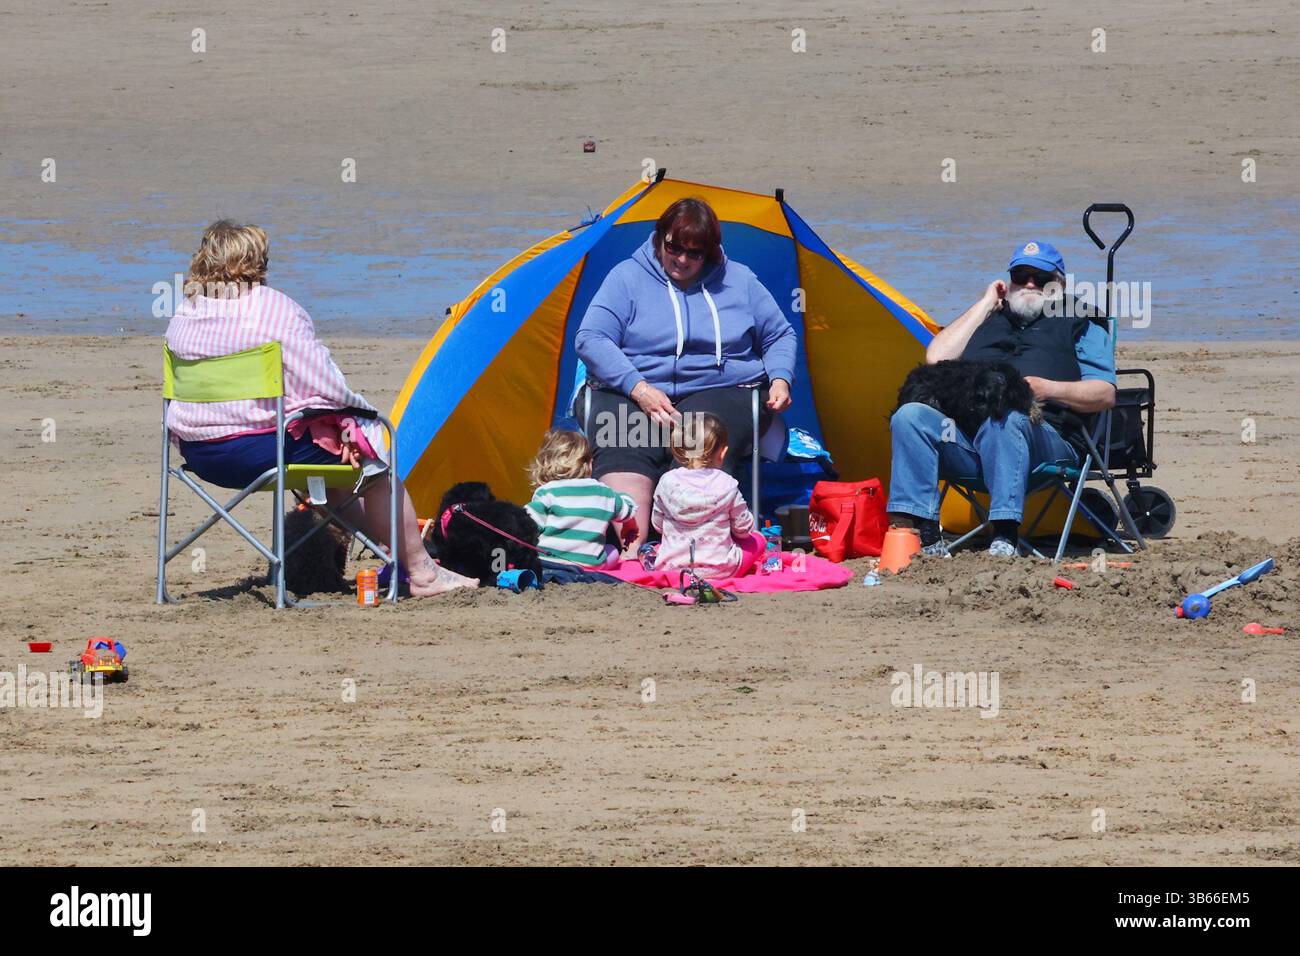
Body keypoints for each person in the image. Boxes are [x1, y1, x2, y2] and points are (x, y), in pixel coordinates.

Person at [164, 219, 477, 596]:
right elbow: (323, 383)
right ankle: (424, 573)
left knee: (334, 471)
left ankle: (400, 556)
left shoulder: (184, 313)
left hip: (200, 455)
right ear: (255, 261)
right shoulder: (272, 308)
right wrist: (358, 418)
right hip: (261, 453)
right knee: (371, 460)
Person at [575, 197, 797, 552]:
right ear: (659, 238)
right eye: (674, 248)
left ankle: (697, 549)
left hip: (721, 386)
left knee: (698, 442)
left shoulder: (740, 281)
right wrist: (639, 388)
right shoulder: (626, 277)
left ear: (709, 252)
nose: (681, 259)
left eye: (694, 253)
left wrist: (782, 377)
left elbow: (779, 334)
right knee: (626, 444)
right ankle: (631, 554)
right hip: (631, 388)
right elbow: (590, 338)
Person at [887, 240, 1117, 557]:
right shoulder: (987, 317)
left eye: (1041, 277)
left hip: (1045, 440)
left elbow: (1105, 394)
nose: (1030, 284)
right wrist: (984, 304)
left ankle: (1005, 534)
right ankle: (923, 533)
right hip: (969, 440)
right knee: (910, 415)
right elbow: (936, 357)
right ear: (1009, 281)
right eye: (1021, 276)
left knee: (1007, 416)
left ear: (1060, 283)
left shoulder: (1082, 323)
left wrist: (1048, 389)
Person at [649, 413, 768, 579]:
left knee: (653, 547)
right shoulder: (727, 484)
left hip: (672, 569)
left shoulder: (666, 481)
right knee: (758, 540)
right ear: (722, 452)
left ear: (677, 452)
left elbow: (658, 525)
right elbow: (744, 529)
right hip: (721, 570)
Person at [525, 429, 638, 568]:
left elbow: (527, 523)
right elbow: (629, 506)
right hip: (588, 566)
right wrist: (629, 524)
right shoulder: (604, 493)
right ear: (589, 464)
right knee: (612, 550)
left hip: (548, 562)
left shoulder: (547, 492)